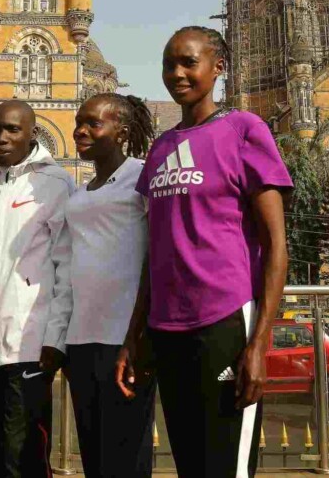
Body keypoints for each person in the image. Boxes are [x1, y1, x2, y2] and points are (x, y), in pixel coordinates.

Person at [116, 25, 292, 478]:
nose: (176, 73)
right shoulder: (160, 149)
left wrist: (259, 345)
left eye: (188, 62)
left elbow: (275, 245)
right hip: (166, 329)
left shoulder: (244, 130)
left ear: (218, 68)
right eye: (168, 64)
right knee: (190, 465)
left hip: (224, 324)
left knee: (225, 468)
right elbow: (153, 251)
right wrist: (135, 334)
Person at [0, 101, 74, 478]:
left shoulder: (54, 185)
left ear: (31, 133)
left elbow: (65, 266)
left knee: (26, 456)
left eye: (12, 129)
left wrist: (55, 338)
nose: (1, 138)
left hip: (30, 346)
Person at [65, 93, 156, 478]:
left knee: (126, 458)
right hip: (81, 339)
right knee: (95, 457)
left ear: (120, 130)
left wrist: (138, 336)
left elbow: (157, 255)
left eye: (93, 124)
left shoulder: (142, 175)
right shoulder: (81, 190)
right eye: (78, 123)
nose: (80, 131)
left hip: (125, 339)